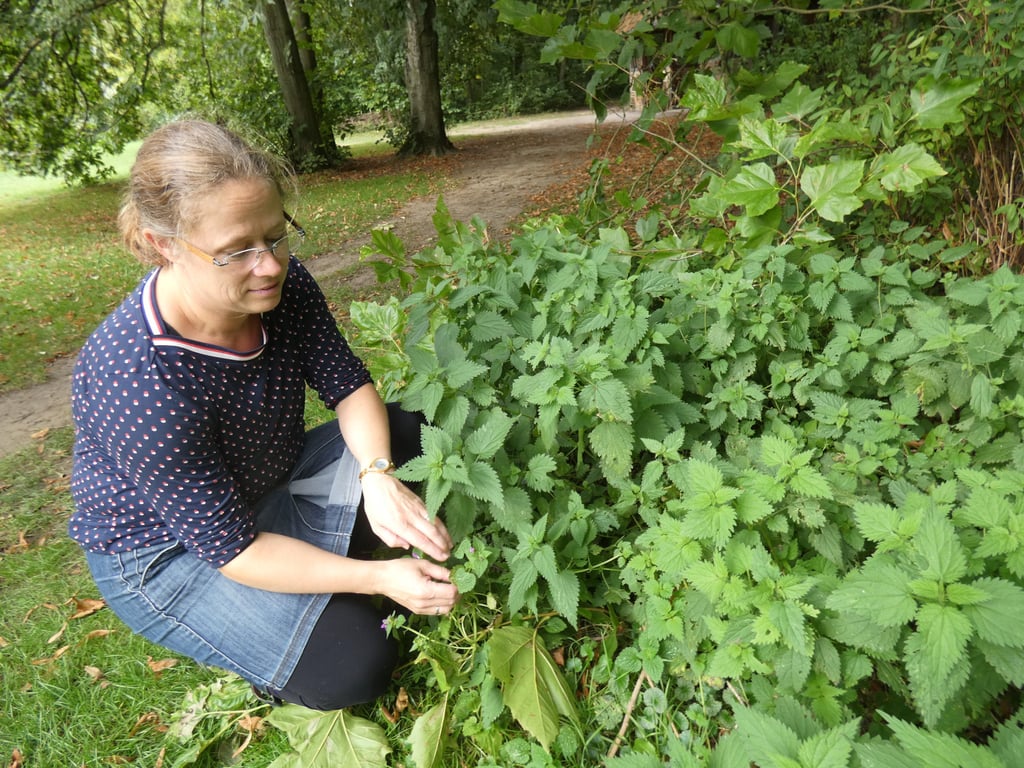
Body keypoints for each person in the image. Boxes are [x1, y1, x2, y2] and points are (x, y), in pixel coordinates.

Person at [68, 119, 458, 711]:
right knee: (354, 666)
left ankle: (318, 580)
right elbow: (235, 549)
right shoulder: (137, 380)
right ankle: (294, 623)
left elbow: (349, 387)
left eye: (276, 237)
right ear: (162, 244)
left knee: (409, 434)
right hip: (173, 552)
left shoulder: (278, 286)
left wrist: (378, 475)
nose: (269, 265)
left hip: (267, 480)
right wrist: (382, 579)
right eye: (236, 251)